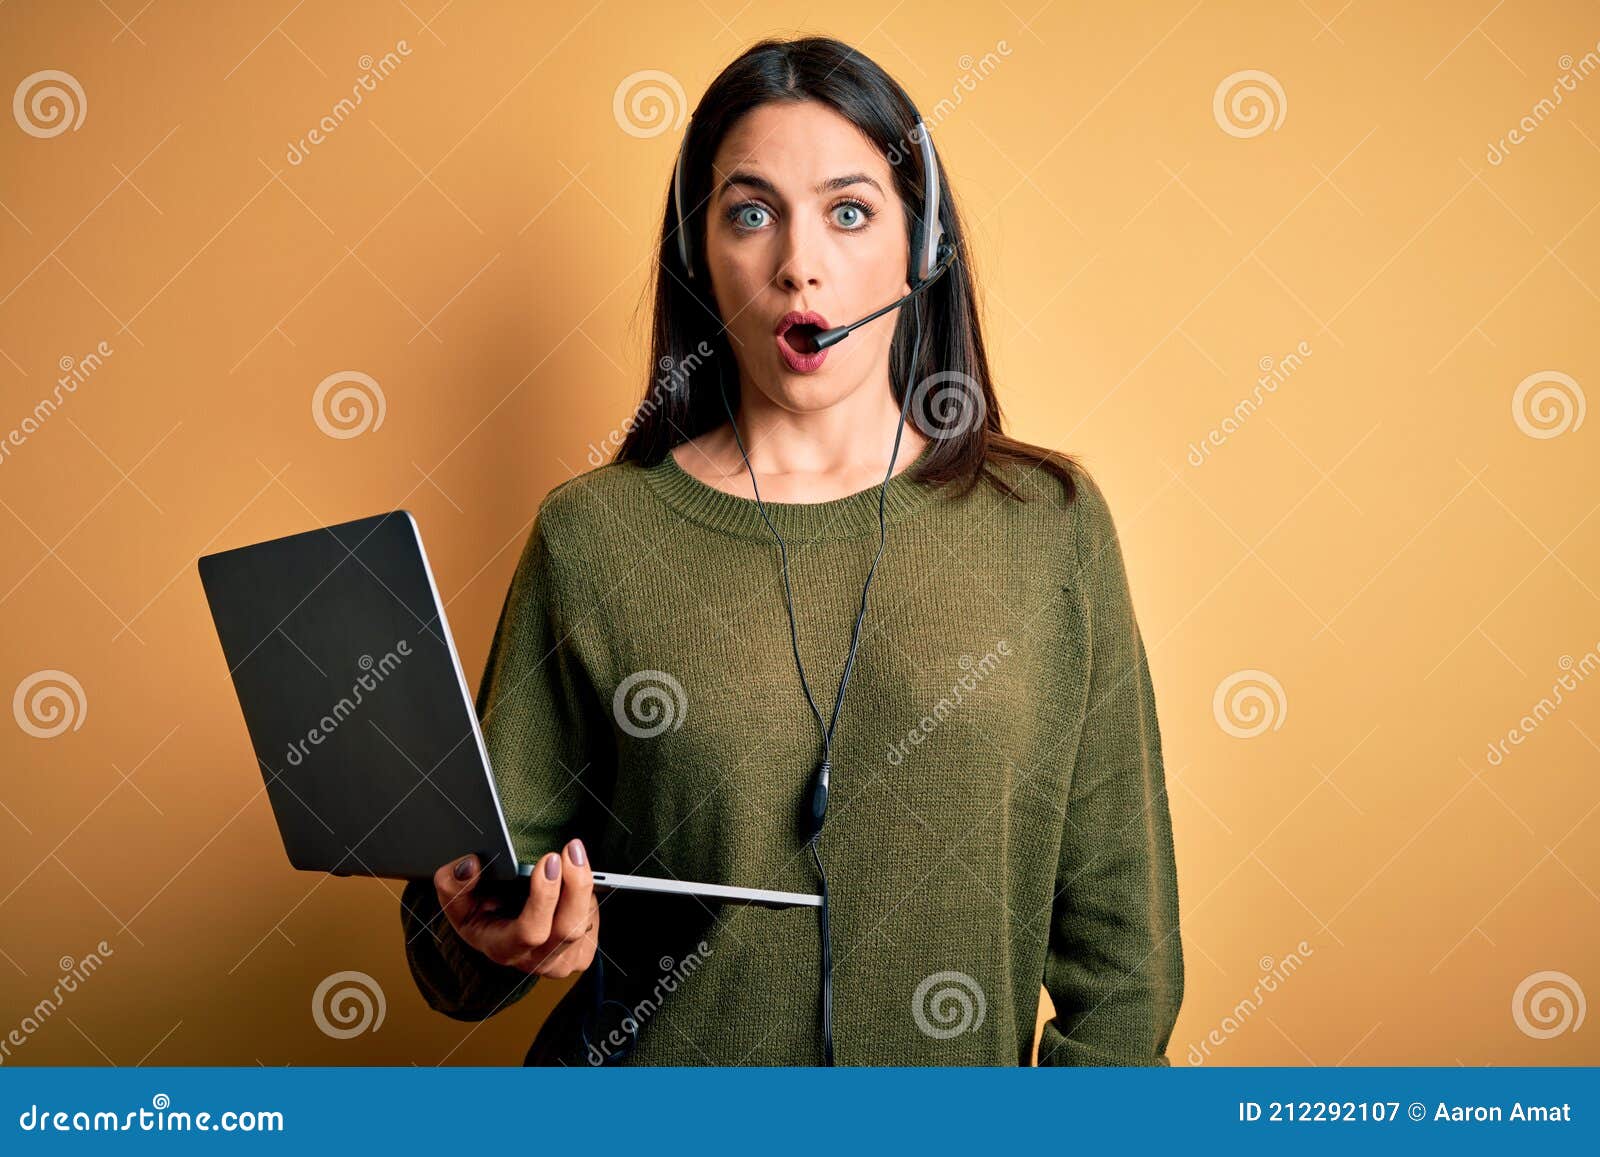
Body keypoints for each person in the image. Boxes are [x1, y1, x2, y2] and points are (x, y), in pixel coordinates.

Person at [398, 34, 1183, 1067]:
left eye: (849, 211)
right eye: (751, 212)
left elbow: (1124, 963)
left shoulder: (1048, 526)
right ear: (700, 254)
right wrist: (488, 924)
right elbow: (457, 941)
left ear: (923, 246)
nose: (798, 264)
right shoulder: (594, 534)